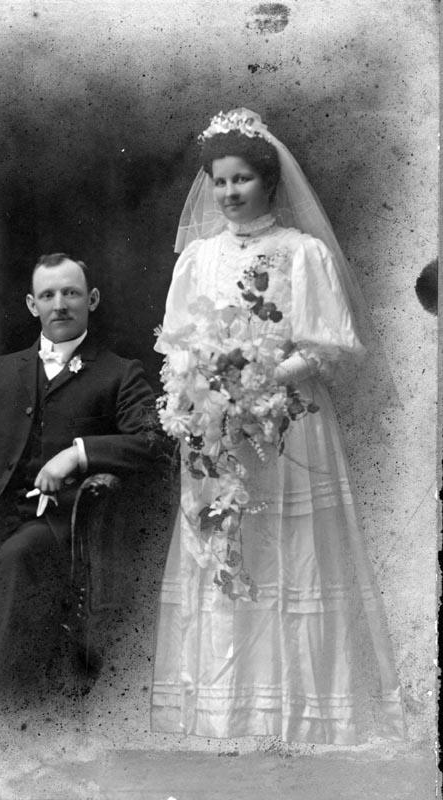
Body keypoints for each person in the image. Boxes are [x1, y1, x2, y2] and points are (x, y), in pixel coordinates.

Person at [150, 109, 404, 744]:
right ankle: (223, 714)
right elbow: (176, 347)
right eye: (220, 181)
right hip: (218, 434)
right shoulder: (198, 258)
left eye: (242, 179)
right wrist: (204, 395)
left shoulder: (302, 253)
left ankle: (305, 715)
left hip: (289, 426)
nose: (230, 193)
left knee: (294, 556)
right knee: (227, 552)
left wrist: (256, 382)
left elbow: (326, 348)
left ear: (269, 182)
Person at [0, 252, 155, 705]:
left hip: (61, 524)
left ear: (91, 299)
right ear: (32, 305)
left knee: (19, 554)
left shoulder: (119, 372)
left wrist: (78, 454)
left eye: (71, 293)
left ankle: (1, 719)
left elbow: (153, 441)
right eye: (48, 295)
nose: (60, 305)